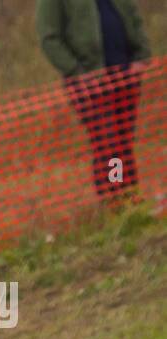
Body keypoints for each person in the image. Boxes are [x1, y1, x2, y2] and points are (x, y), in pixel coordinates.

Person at [37, 0, 152, 203]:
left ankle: (132, 200)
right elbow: (49, 39)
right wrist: (78, 73)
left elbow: (134, 17)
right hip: (91, 86)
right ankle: (115, 202)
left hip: (126, 77)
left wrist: (141, 56)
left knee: (123, 143)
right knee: (108, 146)